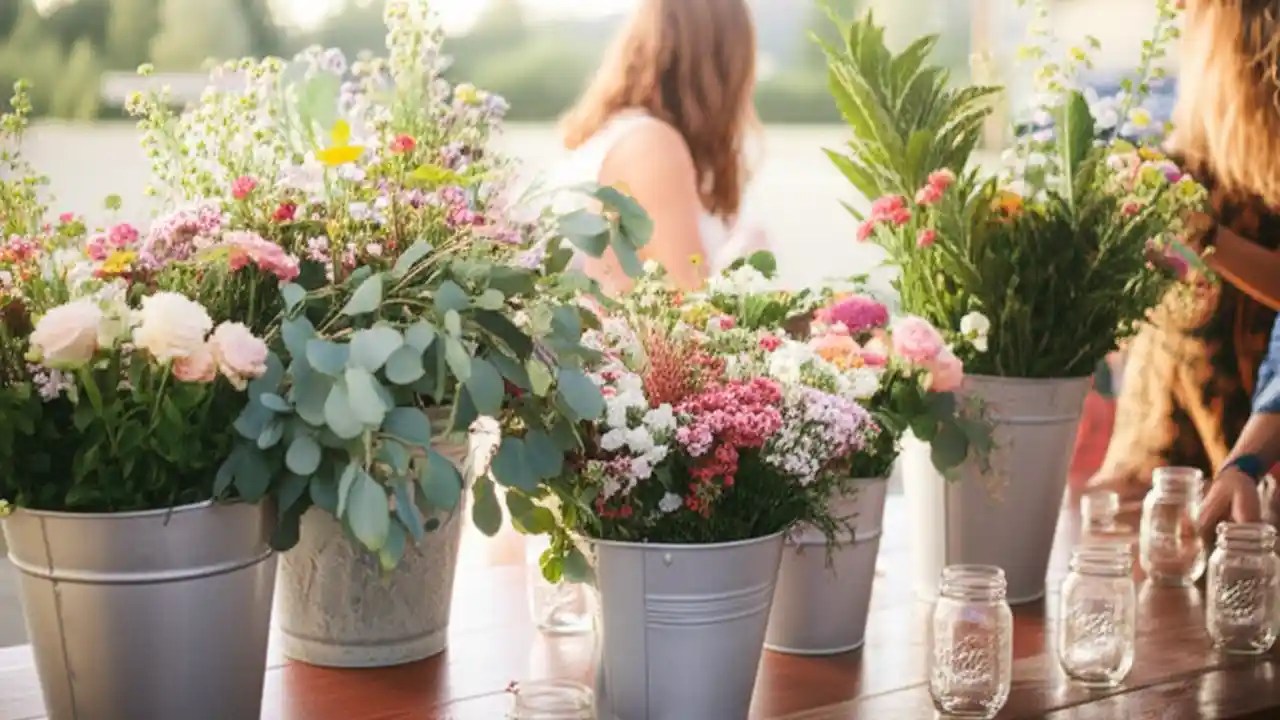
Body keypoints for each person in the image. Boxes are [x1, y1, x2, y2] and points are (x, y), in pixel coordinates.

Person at [1089, 0, 1280, 510]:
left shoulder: (1230, 196)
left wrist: (1208, 238)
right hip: (1153, 466)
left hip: (1242, 466)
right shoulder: (1191, 164)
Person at [550, 0, 767, 295]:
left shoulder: (621, 132)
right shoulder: (651, 146)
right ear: (726, 63)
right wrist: (741, 265)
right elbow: (691, 310)